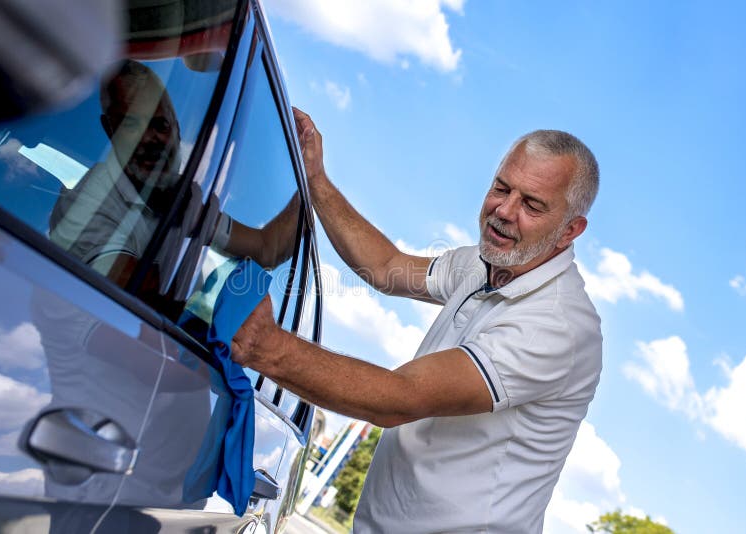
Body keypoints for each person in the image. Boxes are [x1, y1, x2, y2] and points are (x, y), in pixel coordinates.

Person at [232, 108, 602, 533]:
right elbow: (388, 267)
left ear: (571, 230)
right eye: (501, 188)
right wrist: (315, 178)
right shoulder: (482, 263)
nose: (504, 210)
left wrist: (265, 346)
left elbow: (399, 398)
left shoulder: (557, 325)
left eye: (532, 205)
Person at [49, 59, 299, 308]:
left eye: (160, 125)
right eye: (131, 125)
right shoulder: (87, 202)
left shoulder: (180, 198)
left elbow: (267, 249)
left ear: (177, 133)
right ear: (109, 129)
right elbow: (143, 299)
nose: (150, 138)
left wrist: (313, 182)